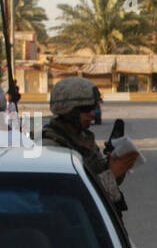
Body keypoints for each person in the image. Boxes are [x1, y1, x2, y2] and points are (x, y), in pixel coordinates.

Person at [41, 76, 138, 220]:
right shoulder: (51, 147)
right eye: (86, 109)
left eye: (94, 108)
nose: (92, 114)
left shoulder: (84, 139)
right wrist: (111, 174)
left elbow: (97, 176)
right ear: (68, 110)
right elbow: (68, 198)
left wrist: (114, 165)